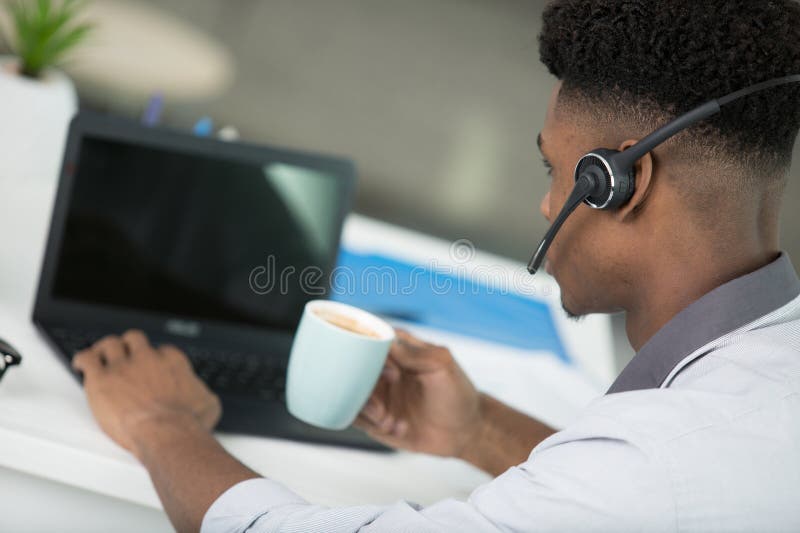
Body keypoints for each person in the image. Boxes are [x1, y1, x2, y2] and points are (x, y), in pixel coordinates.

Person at [73, 0, 800, 531]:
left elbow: (632, 489)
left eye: (554, 172)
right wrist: (477, 427)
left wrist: (162, 422)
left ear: (618, 185)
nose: (548, 205)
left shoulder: (658, 465)